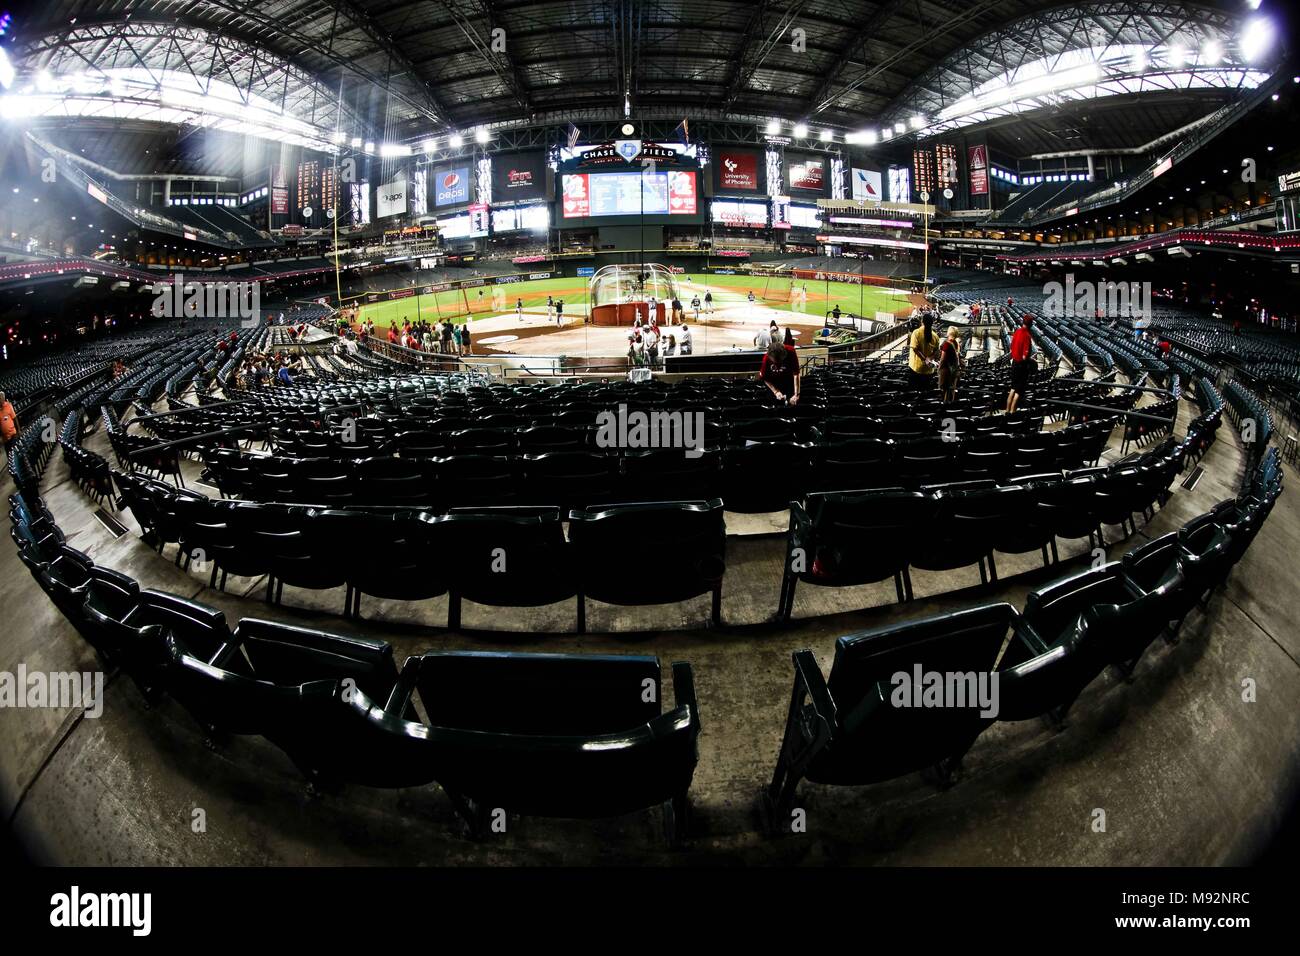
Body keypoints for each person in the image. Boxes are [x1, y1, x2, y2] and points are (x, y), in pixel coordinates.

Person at [1006, 314, 1035, 413]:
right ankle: (1012, 412)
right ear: (1031, 324)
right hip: (1021, 366)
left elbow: (1012, 347)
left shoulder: (1017, 331)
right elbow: (1024, 356)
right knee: (1018, 391)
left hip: (1014, 363)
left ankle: (1007, 411)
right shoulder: (1027, 335)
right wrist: (1031, 360)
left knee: (1013, 388)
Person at [759, 341, 800, 405]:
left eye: (780, 361)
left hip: (788, 380)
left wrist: (796, 394)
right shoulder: (766, 358)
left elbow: (796, 373)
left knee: (792, 402)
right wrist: (776, 391)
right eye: (775, 362)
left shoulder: (791, 351)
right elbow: (765, 378)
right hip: (774, 382)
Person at [908, 313, 941, 388]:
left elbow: (915, 348)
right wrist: (929, 358)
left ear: (922, 321)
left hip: (916, 369)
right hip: (928, 370)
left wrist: (925, 359)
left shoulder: (916, 332)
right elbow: (936, 351)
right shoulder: (935, 336)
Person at [938, 326, 962, 402]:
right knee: (951, 390)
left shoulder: (947, 344)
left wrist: (939, 368)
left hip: (946, 370)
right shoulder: (956, 343)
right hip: (954, 370)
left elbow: (943, 359)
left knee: (944, 390)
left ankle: (944, 406)